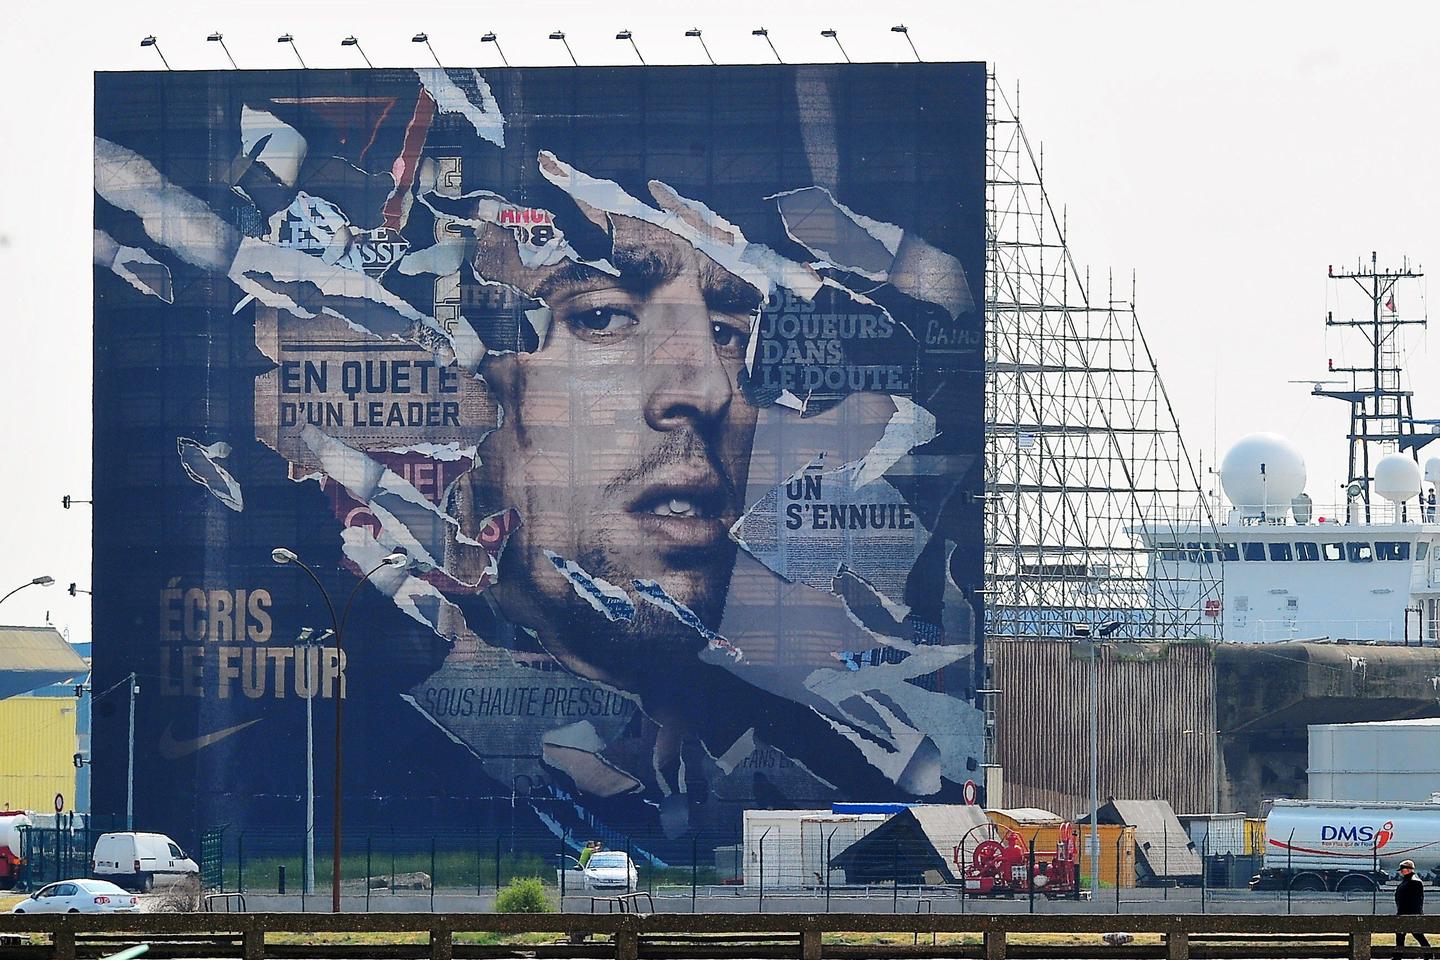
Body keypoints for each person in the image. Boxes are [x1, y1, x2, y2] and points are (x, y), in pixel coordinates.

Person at [1393, 859, 1433, 960]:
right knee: (1402, 934)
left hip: (1410, 913)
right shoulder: (1407, 881)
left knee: (1416, 934)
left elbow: (1417, 901)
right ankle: (1399, 955)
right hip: (1403, 912)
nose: (1401, 871)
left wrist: (1415, 914)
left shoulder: (1414, 882)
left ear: (1410, 869)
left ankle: (1428, 953)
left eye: (1403, 869)